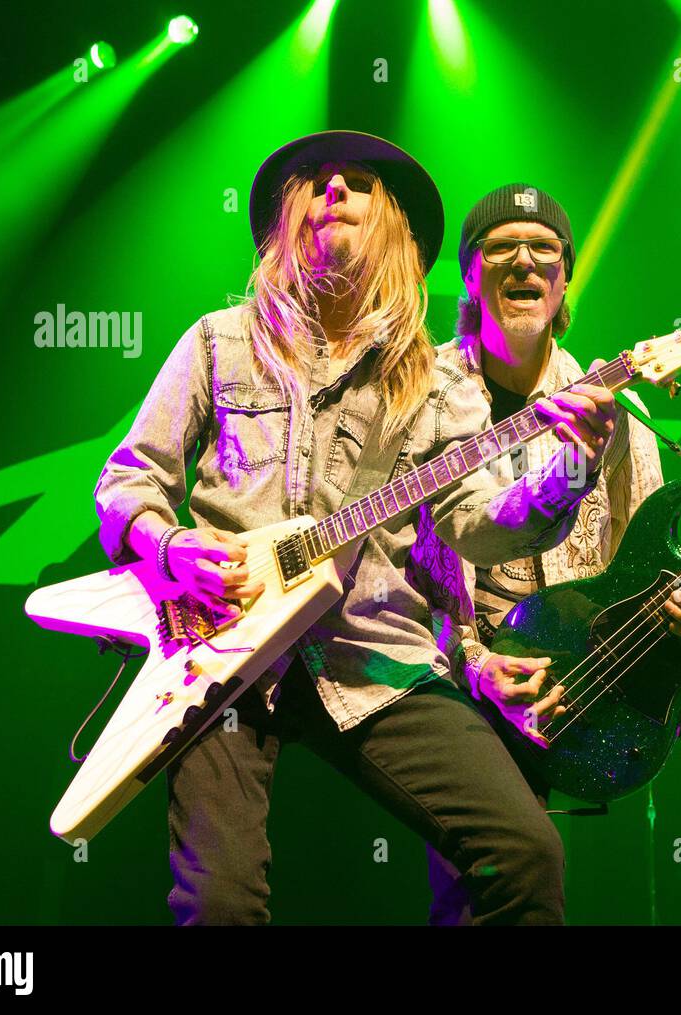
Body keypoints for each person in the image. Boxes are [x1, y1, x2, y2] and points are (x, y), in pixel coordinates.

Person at [93, 133, 618, 925]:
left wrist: (574, 469)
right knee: (220, 903)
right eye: (315, 181)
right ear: (286, 218)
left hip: (374, 654)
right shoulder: (218, 339)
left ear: (396, 226)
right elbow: (130, 477)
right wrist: (170, 546)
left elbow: (478, 524)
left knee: (524, 851)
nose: (333, 189)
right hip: (219, 653)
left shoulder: (433, 378)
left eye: (359, 181)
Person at [417, 182, 681, 925]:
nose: (524, 261)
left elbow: (648, 562)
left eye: (543, 248)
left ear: (564, 277)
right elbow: (401, 582)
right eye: (500, 247)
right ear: (468, 273)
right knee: (503, 888)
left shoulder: (612, 407)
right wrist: (481, 668)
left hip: (602, 660)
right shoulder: (421, 395)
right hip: (472, 680)